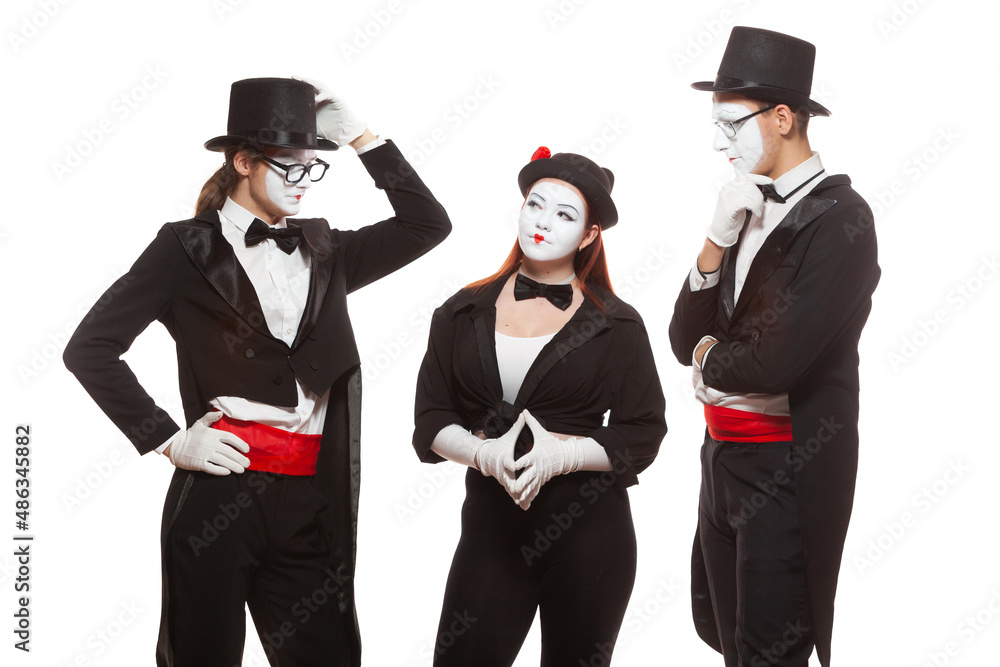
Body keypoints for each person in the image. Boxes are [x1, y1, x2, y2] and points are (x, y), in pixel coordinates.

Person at [63, 77, 451, 667]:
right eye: (288, 167)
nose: (302, 182)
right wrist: (168, 439)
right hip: (219, 492)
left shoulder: (327, 250)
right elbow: (89, 348)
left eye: (311, 168)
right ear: (243, 161)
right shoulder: (183, 249)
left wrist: (363, 140)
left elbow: (428, 225)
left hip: (310, 500)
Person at [668, 27, 880, 667]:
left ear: (783, 118)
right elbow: (682, 337)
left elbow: (777, 361)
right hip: (720, 460)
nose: (718, 142)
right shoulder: (741, 204)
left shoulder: (844, 218)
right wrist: (714, 237)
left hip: (787, 469)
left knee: (771, 655)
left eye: (731, 125)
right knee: (726, 639)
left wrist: (711, 359)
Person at [412, 147, 666, 666]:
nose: (544, 223)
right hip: (490, 532)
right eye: (535, 204)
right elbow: (431, 417)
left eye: (565, 215)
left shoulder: (618, 324)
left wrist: (564, 455)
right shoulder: (460, 311)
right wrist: (481, 455)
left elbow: (644, 432)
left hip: (591, 538)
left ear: (590, 235)